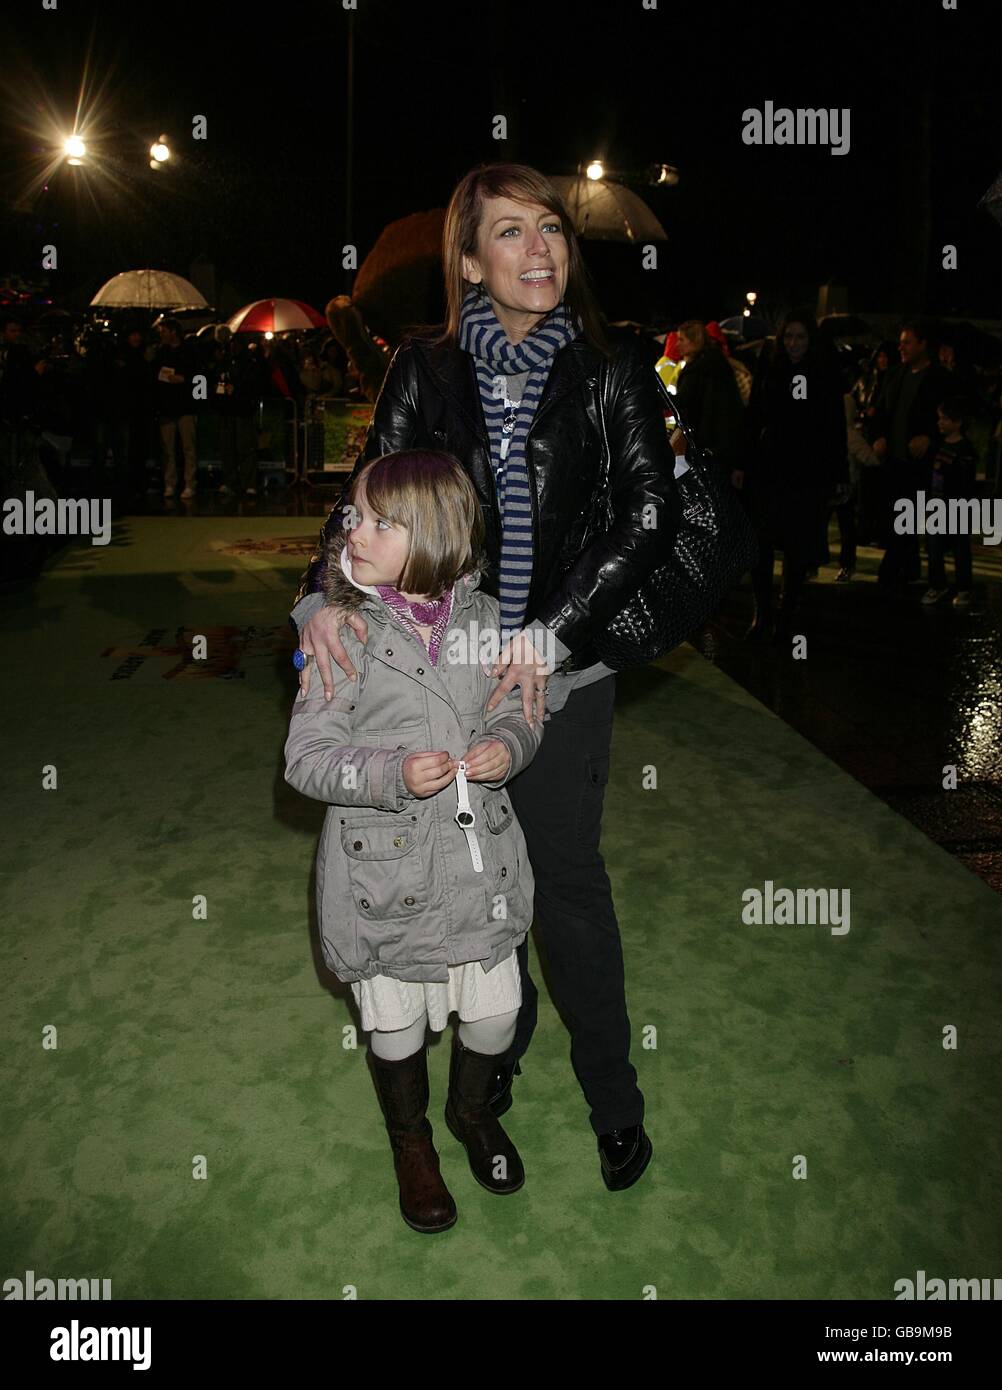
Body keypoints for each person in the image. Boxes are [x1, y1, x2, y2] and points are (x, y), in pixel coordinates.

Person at [288, 161, 682, 1192]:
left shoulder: (610, 364)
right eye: (510, 232)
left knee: (562, 884)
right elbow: (367, 491)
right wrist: (317, 599)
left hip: (560, 664)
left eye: (550, 228)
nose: (541, 248)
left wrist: (551, 634)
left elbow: (650, 514)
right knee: (456, 871)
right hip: (438, 656)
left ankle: (611, 1097)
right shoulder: (426, 368)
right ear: (468, 261)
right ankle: (487, 1060)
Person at [285, 450, 541, 1232]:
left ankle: (471, 1113)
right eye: (353, 515)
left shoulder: (492, 621)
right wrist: (390, 772)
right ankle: (413, 1141)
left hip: (477, 864)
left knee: (496, 1015)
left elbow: (522, 709)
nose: (350, 532)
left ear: (431, 535)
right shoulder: (343, 631)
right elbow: (306, 759)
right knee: (394, 1025)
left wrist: (510, 744)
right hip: (384, 879)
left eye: (375, 521)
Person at [743, 310, 848, 639]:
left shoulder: (823, 372)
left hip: (806, 473)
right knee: (761, 543)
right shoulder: (770, 367)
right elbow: (754, 415)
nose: (793, 344)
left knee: (797, 546)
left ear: (810, 340)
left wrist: (838, 473)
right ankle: (762, 613)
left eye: (800, 337)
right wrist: (741, 463)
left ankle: (786, 614)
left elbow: (834, 426)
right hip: (770, 468)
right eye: (788, 337)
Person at [870, 320, 953, 591]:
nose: (901, 347)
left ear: (922, 345)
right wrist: (879, 437)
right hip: (892, 459)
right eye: (901, 342)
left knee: (905, 517)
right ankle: (908, 566)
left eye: (907, 342)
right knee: (895, 516)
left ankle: (892, 570)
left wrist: (930, 437)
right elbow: (880, 411)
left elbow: (951, 417)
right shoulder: (894, 375)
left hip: (918, 462)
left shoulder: (939, 379)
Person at [922, 396, 979, 608]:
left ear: (958, 422)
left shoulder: (965, 450)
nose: (940, 422)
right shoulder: (938, 445)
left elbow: (966, 482)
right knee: (934, 547)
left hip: (957, 506)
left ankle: (964, 588)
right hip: (938, 503)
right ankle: (938, 584)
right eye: (940, 418)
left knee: (960, 549)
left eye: (945, 419)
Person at [152, 317, 199, 499]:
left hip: (185, 407)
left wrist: (185, 381)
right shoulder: (161, 353)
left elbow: (200, 377)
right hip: (166, 407)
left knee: (188, 447)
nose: (161, 335)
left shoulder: (189, 352)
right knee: (168, 449)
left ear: (173, 332)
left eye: (164, 331)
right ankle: (170, 483)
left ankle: (190, 483)